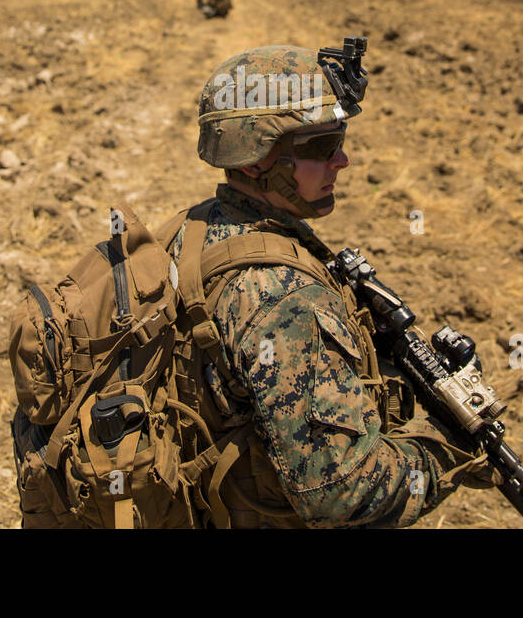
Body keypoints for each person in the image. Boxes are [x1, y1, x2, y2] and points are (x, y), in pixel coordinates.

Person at [168, 42, 496, 528]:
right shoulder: (285, 297)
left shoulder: (193, 227)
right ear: (256, 157)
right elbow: (341, 495)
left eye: (340, 138)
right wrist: (446, 449)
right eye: (320, 146)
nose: (342, 160)